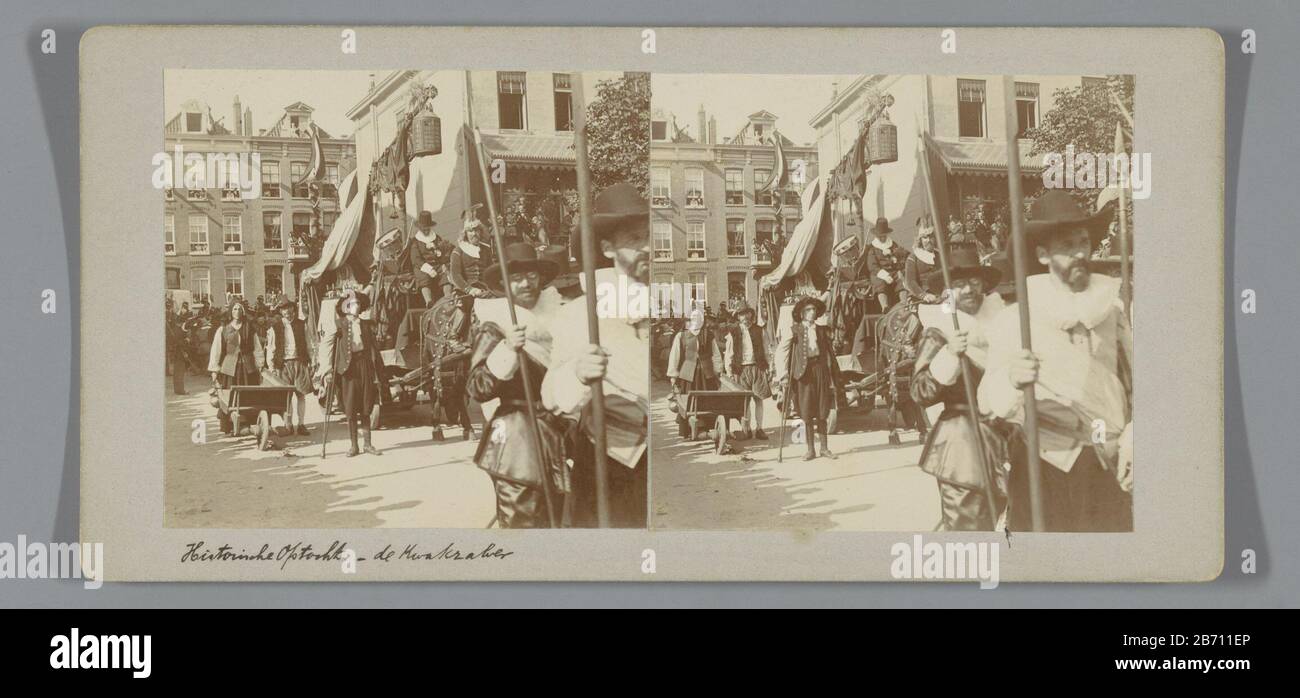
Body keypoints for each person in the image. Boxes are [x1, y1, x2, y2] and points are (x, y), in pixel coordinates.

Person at [978, 191, 1131, 532]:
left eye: (1084, 242)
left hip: (1103, 461)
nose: (1080, 253)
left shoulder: (1111, 313)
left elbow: (1134, 382)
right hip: (1042, 463)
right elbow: (987, 400)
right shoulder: (1016, 319)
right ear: (1043, 254)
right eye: (1067, 245)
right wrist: (1011, 379)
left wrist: (1133, 434)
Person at [543, 183, 651, 528]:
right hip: (612, 462)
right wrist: (577, 372)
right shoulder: (580, 313)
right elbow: (551, 395)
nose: (648, 247)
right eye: (635, 240)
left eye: (651, 237)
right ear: (607, 248)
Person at [466, 243, 568, 528]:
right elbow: (477, 387)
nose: (526, 283)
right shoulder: (494, 325)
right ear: (503, 284)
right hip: (516, 443)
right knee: (524, 526)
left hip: (554, 433)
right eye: (517, 277)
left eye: (532, 275)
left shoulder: (558, 320)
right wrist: (508, 350)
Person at [911, 243, 1009, 530]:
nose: (968, 290)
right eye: (960, 284)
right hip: (962, 446)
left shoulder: (1001, 324)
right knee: (968, 531)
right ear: (947, 292)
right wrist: (950, 355)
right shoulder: (939, 331)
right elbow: (919, 392)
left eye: (974, 282)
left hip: (1004, 437)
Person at [316, 289, 386, 457]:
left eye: (358, 304)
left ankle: (368, 444)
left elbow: (373, 350)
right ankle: (354, 446)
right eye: (354, 304)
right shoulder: (338, 324)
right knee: (351, 407)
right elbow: (327, 347)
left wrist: (378, 372)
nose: (357, 306)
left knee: (366, 405)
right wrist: (326, 371)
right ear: (346, 307)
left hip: (364, 366)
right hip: (348, 370)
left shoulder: (365, 324)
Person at [776, 295, 843, 461]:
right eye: (808, 310)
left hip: (820, 372)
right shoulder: (794, 330)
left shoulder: (821, 330)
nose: (811, 312)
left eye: (813, 309)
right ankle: (810, 450)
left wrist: (833, 376)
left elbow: (829, 354)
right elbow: (782, 352)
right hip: (803, 374)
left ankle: (825, 448)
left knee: (822, 410)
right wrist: (783, 375)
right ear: (801, 313)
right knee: (806, 411)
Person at [423, 286, 476, 441]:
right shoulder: (457, 260)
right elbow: (456, 273)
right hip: (466, 290)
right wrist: (469, 288)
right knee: (464, 304)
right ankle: (453, 335)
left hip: (484, 290)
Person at [666, 306, 724, 438]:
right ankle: (689, 429)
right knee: (688, 400)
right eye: (692, 318)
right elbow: (675, 355)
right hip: (688, 374)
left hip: (706, 373)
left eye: (698, 318)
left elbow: (715, 354)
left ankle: (707, 427)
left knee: (707, 399)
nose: (695, 320)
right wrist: (673, 375)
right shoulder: (681, 336)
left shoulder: (708, 335)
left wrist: (718, 370)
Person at [207, 298, 263, 435]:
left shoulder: (249, 328)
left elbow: (257, 347)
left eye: (239, 309)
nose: (237, 312)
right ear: (231, 312)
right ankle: (229, 425)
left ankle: (248, 424)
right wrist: (214, 369)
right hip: (229, 368)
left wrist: (260, 364)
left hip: (247, 367)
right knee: (229, 396)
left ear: (243, 311)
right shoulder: (223, 329)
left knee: (248, 395)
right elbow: (216, 349)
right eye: (234, 309)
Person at [723, 301, 770, 440]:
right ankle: (747, 428)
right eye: (741, 314)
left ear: (751, 314)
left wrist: (770, 367)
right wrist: (729, 371)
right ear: (738, 317)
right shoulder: (733, 332)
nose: (744, 317)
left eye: (746, 313)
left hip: (758, 367)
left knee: (759, 399)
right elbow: (729, 353)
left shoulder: (760, 330)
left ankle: (759, 428)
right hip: (741, 369)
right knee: (746, 401)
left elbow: (767, 350)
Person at [264, 299, 312, 436]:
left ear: (293, 309)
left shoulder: (302, 325)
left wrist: (312, 360)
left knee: (301, 395)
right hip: (283, 364)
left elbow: (309, 344)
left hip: (300, 362)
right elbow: (271, 349)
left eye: (290, 309)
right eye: (284, 309)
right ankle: (289, 424)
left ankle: (301, 424)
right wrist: (271, 366)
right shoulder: (275, 328)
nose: (288, 312)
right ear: (281, 311)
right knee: (287, 397)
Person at [864, 217, 909, 313]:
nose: (883, 238)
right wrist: (885, 275)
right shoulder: (872, 248)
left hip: (894, 271)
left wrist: (899, 265)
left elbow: (903, 254)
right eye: (880, 236)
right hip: (879, 272)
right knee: (879, 282)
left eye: (884, 236)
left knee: (901, 279)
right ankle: (885, 306)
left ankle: (904, 303)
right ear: (877, 235)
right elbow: (872, 266)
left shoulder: (893, 244)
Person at [409, 211, 455, 306]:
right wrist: (429, 270)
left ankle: (448, 297)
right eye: (424, 229)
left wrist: (443, 261)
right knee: (423, 277)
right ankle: (428, 301)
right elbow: (416, 260)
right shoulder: (415, 241)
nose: (426, 231)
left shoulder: (436, 238)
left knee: (445, 275)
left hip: (437, 264)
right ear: (420, 228)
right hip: (423, 266)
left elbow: (444, 249)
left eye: (427, 229)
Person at [449, 208, 495, 298]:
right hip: (465, 290)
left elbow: (491, 270)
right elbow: (455, 275)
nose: (474, 233)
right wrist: (469, 289)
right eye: (470, 231)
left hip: (485, 288)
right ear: (465, 234)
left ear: (480, 232)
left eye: (476, 230)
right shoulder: (458, 251)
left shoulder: (486, 249)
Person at [904, 217, 941, 304]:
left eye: (930, 237)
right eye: (924, 238)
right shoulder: (913, 257)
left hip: (940, 294)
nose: (928, 240)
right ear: (920, 240)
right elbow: (910, 281)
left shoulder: (940, 255)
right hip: (922, 296)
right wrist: (924, 295)